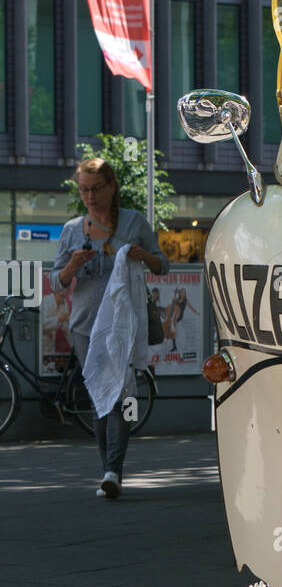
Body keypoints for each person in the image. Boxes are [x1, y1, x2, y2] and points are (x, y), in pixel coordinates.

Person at [50, 157, 167, 499]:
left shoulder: (133, 222)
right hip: (86, 326)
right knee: (100, 397)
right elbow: (56, 282)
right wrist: (72, 266)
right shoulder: (73, 229)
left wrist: (143, 255)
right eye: (84, 190)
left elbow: (162, 265)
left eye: (96, 189)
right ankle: (109, 471)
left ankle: (113, 470)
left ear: (112, 187)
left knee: (120, 397)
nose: (90, 197)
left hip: (125, 326)